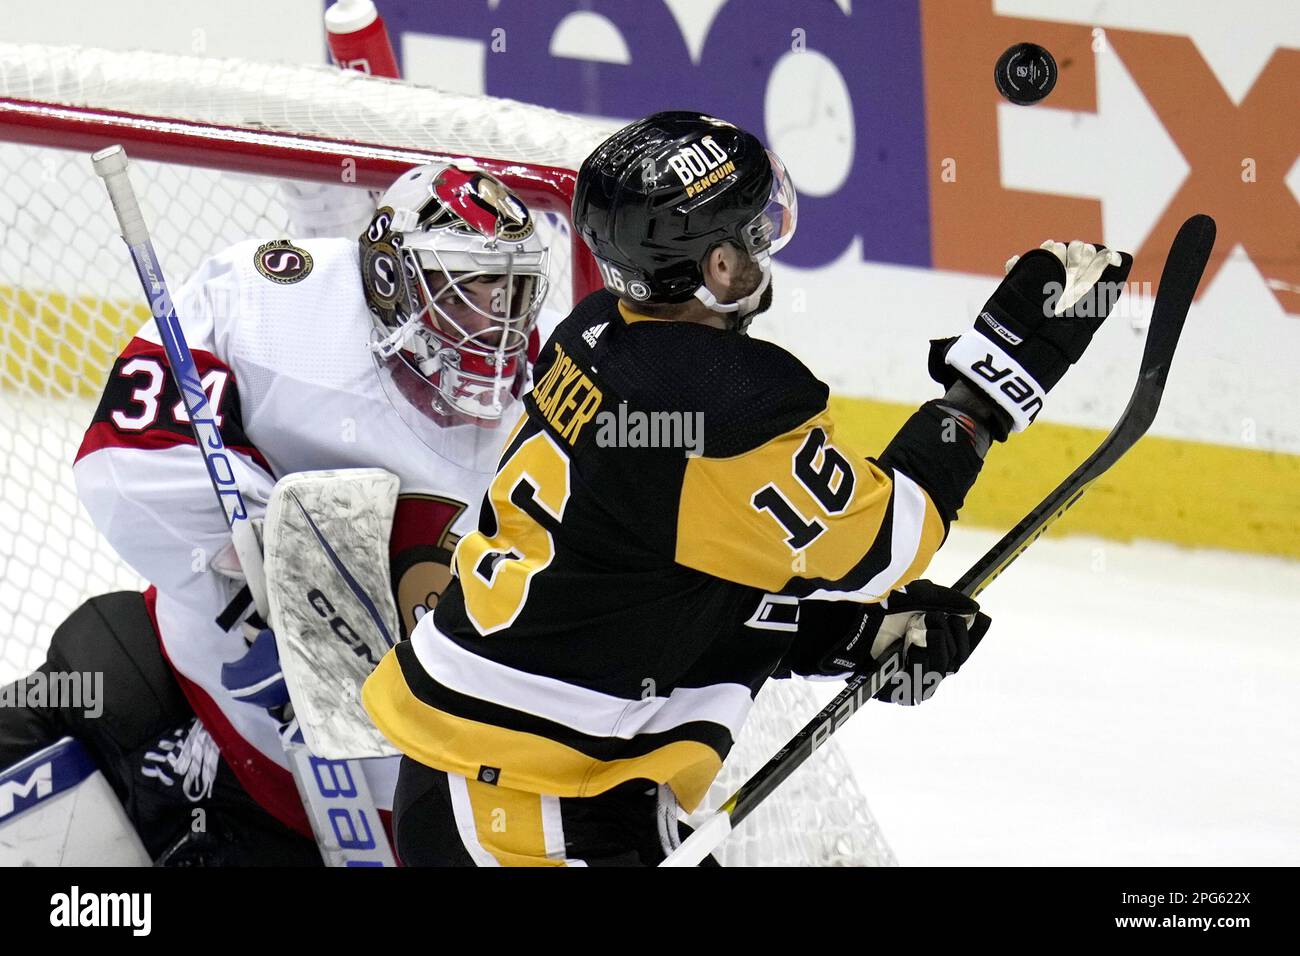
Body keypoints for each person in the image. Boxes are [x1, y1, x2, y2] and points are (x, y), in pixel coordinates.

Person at [363, 111, 1132, 867]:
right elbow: (896, 539)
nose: (763, 243)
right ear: (718, 268)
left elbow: (647, 580)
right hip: (528, 817)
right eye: (750, 231)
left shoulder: (594, 334)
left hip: (489, 776)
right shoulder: (717, 411)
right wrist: (986, 392)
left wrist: (848, 637)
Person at [0, 163, 555, 865]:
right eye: (471, 288)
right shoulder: (274, 307)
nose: (496, 324)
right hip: (176, 696)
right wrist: (270, 589)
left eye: (515, 289)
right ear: (394, 283)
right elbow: (124, 458)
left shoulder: (558, 414)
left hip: (357, 826)